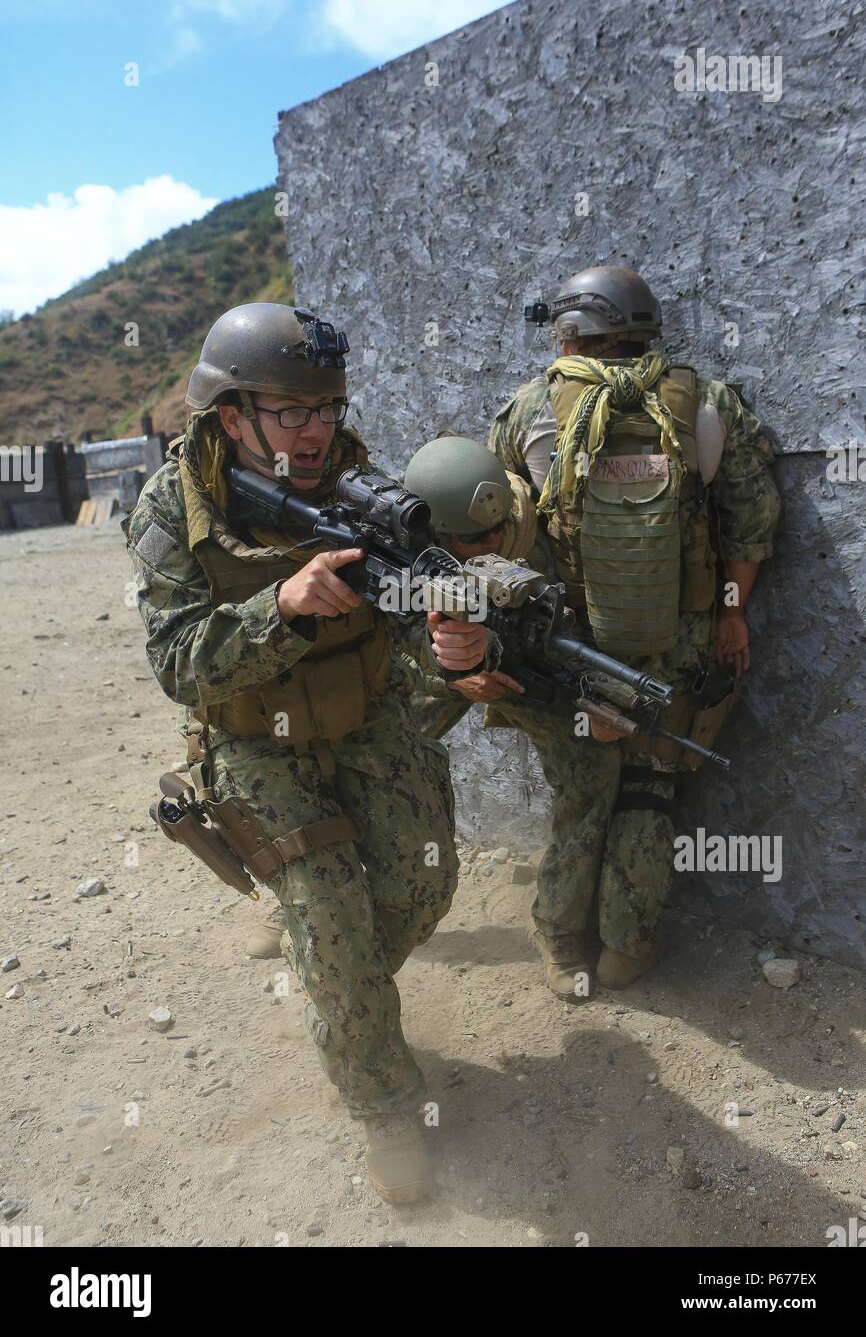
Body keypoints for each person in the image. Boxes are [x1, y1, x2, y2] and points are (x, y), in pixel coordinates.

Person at [124, 302, 490, 1204]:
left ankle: (340, 984)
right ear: (231, 412)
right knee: (332, 921)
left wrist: (455, 652)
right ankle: (385, 1101)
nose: (318, 427)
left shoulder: (356, 482)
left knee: (421, 884)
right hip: (251, 736)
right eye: (293, 410)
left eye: (327, 406)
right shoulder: (175, 504)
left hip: (362, 709)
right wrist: (281, 608)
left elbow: (414, 615)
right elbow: (178, 661)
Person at [488, 266, 780, 989]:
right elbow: (751, 521)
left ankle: (560, 942)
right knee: (651, 786)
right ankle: (628, 945)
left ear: (570, 334)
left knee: (584, 791)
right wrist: (732, 614)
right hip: (676, 636)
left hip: (574, 640)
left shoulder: (529, 411)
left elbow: (497, 529)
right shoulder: (706, 406)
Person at [402, 435, 620, 1002]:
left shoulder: (543, 540)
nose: (492, 543)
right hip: (444, 661)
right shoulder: (403, 546)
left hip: (526, 666)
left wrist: (595, 702)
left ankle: (559, 930)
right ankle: (316, 894)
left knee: (591, 768)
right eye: (472, 540)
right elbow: (394, 635)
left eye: (497, 532)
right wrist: (451, 672)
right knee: (375, 747)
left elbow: (574, 633)